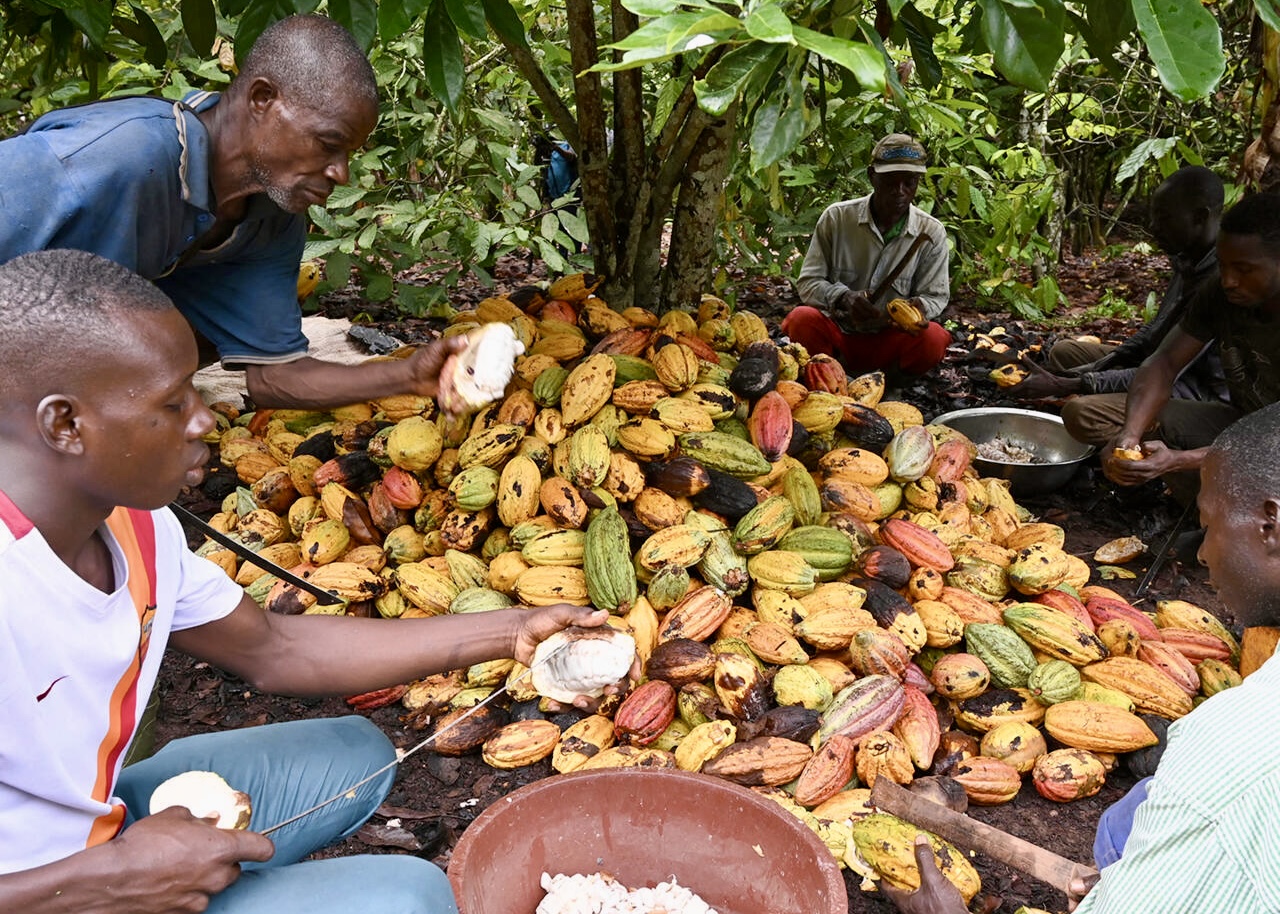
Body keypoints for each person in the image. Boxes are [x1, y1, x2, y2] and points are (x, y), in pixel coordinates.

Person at [0, 248, 623, 912]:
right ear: (65, 425)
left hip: (93, 824)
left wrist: (514, 630)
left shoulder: (135, 522)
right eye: (173, 403)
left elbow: (273, 646)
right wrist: (115, 880)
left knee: (351, 752)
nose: (204, 419)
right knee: (410, 898)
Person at [884, 399, 1280, 913]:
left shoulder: (1234, 745)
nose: (1202, 553)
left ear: (1271, 524)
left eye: (1208, 524)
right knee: (1130, 816)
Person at [0, 15, 452, 411]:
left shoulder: (271, 217)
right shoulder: (118, 156)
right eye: (329, 144)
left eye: (348, 153)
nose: (342, 173)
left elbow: (275, 374)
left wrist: (410, 374)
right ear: (262, 98)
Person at [1008, 167, 1230, 448]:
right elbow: (1157, 330)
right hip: (1158, 364)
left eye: (1163, 218)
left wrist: (1075, 383)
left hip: (1192, 392)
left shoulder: (1223, 279)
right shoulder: (1188, 258)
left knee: (1081, 414)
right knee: (1065, 352)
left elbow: (1167, 371)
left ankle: (1151, 448)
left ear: (1199, 217)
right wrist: (1100, 364)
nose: (1153, 227)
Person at [1100, 191, 1280, 503]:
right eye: (1222, 265)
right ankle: (1204, 512)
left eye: (1244, 269)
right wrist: (1130, 433)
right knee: (1152, 421)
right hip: (1245, 422)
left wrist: (1180, 460)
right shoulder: (1220, 293)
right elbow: (1165, 362)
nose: (1228, 280)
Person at [784, 133, 952, 379]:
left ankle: (889, 381)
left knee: (933, 338)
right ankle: (828, 375)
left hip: (890, 340)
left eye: (909, 182)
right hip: (840, 333)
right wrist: (843, 297)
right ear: (872, 176)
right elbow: (808, 283)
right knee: (801, 319)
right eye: (890, 182)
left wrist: (918, 308)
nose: (900, 191)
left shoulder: (931, 231)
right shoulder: (837, 219)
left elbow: (936, 296)